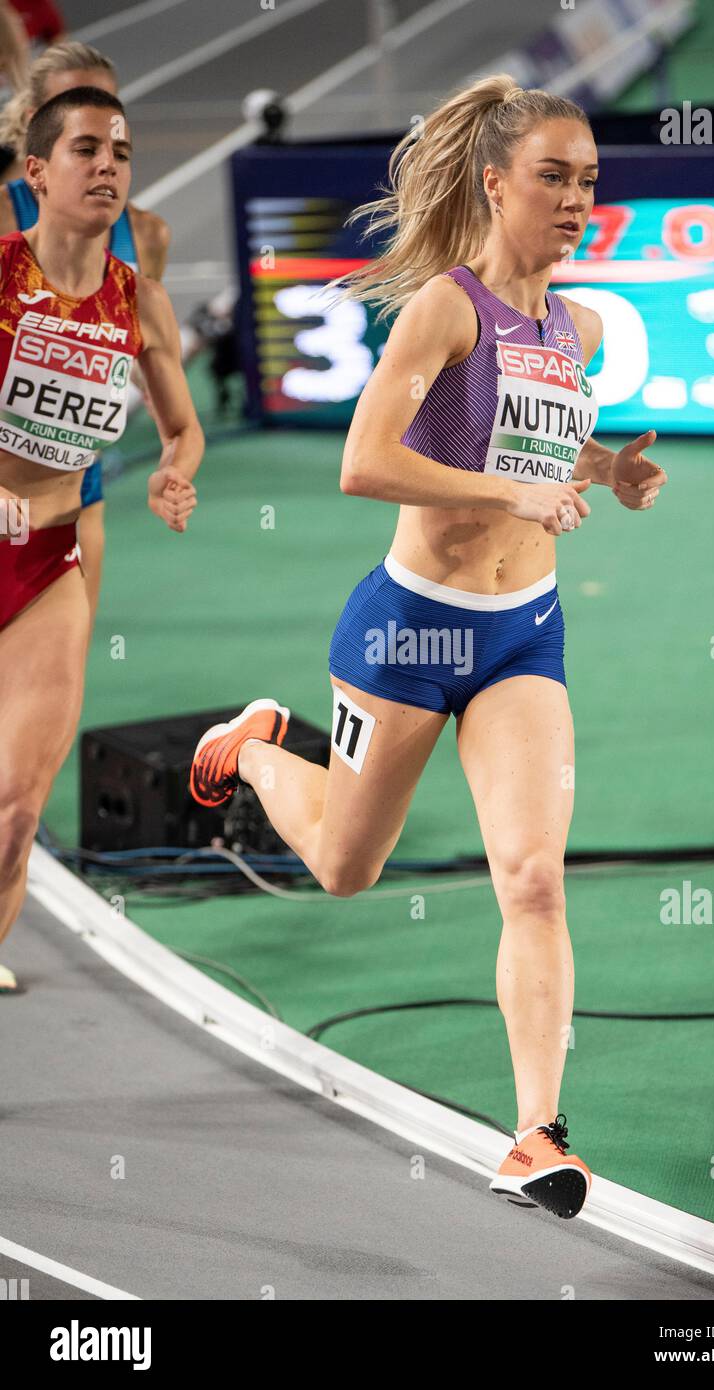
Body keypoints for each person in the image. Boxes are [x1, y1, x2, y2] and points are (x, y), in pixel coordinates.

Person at [189, 75, 667, 1219]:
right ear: (494, 182)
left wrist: (606, 470)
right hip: (406, 628)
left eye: (587, 180)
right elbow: (365, 464)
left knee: (532, 876)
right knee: (348, 868)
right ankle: (258, 746)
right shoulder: (443, 310)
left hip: (523, 635)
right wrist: (518, 484)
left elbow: (544, 437)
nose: (573, 199)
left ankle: (536, 1134)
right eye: (551, 176)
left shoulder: (580, 326)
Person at [0, 86, 203, 984]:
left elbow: (183, 427)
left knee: (15, 810)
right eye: (87, 150)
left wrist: (173, 470)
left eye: (120, 153)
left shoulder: (137, 300)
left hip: (50, 561)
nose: (108, 168)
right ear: (36, 172)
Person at [0, 42, 172, 629]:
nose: (95, 118)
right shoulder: (3, 224)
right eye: (72, 109)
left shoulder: (145, 236)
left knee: (62, 663)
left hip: (78, 490)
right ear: (36, 126)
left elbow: (136, 341)